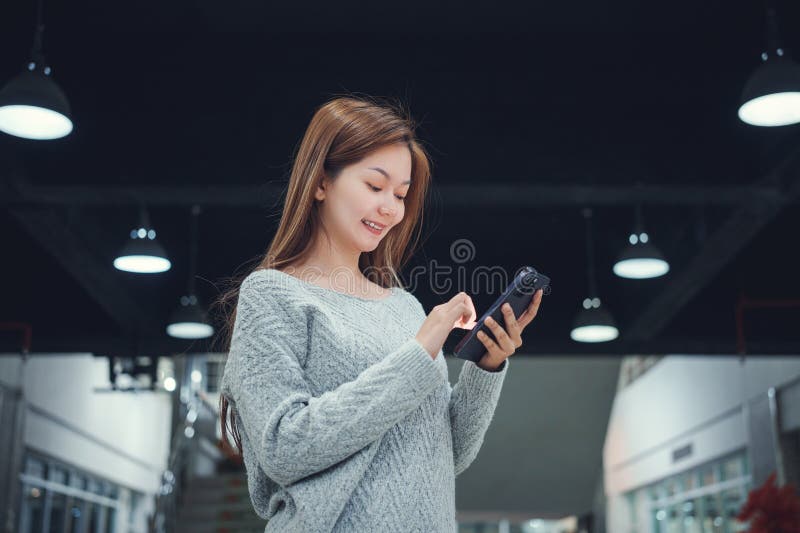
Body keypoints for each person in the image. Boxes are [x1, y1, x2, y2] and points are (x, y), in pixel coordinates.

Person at [215, 95, 543, 532]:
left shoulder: (404, 307)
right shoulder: (272, 295)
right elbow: (283, 447)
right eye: (374, 186)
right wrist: (419, 351)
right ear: (321, 183)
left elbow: (448, 454)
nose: (391, 207)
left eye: (401, 194)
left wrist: (486, 366)